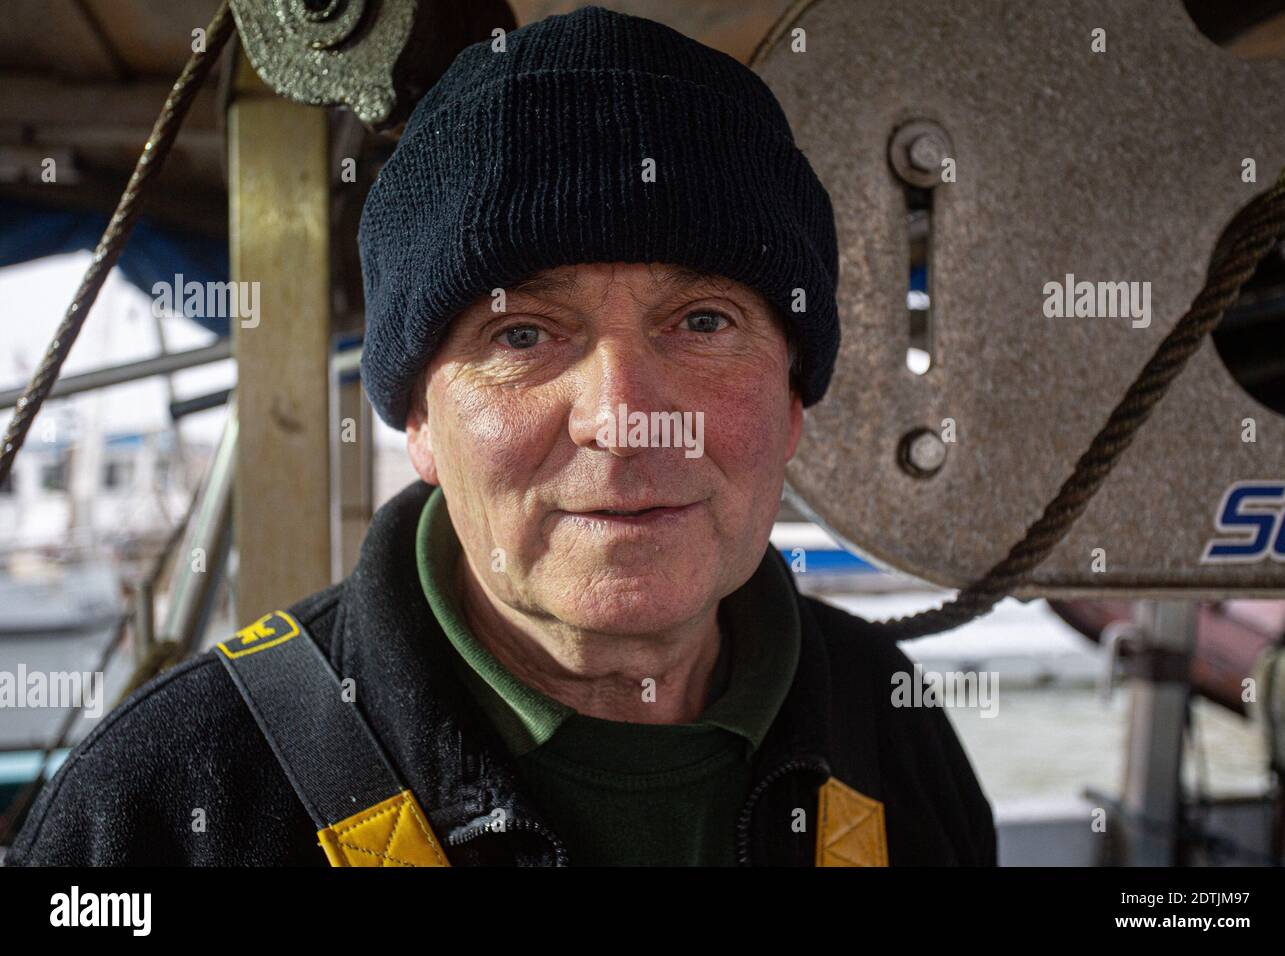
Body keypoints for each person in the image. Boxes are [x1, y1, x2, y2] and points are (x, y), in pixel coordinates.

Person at [7, 5, 995, 867]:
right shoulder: (158, 808)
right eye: (521, 334)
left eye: (702, 322)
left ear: (792, 401)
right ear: (420, 422)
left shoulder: (885, 718)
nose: (623, 419)